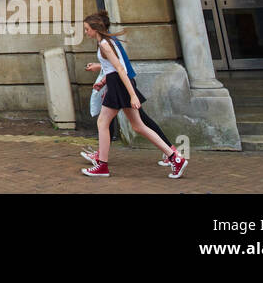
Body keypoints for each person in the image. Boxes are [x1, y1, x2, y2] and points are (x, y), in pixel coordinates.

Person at [80, 11, 188, 178]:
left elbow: (121, 69)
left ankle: (102, 165)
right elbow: (114, 67)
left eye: (87, 29)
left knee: (103, 122)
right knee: (138, 126)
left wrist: (133, 95)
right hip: (118, 83)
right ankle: (175, 157)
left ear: (95, 29)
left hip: (119, 85)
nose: (85, 32)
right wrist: (104, 81)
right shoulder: (106, 41)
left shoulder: (104, 44)